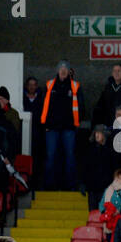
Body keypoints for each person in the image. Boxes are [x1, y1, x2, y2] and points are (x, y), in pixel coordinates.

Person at [41, 60, 83, 190]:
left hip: (69, 128)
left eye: (66, 68)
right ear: (57, 71)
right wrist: (45, 124)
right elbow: (43, 106)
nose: (63, 70)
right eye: (61, 68)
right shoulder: (49, 85)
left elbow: (81, 106)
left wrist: (76, 123)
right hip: (52, 128)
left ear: (70, 71)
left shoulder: (75, 86)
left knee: (70, 157)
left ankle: (70, 186)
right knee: (51, 157)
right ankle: (49, 186)